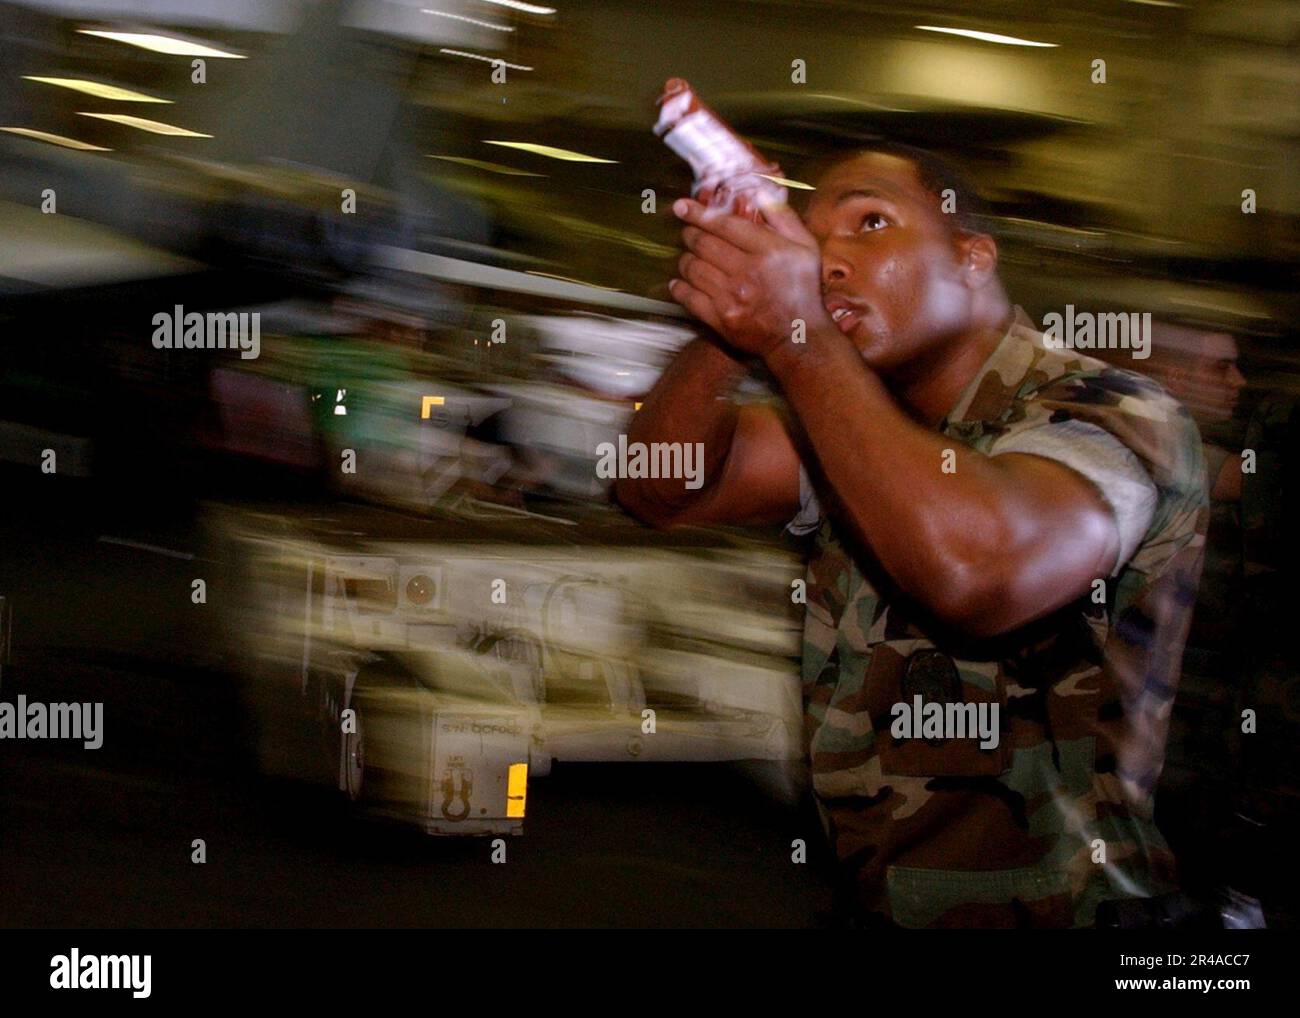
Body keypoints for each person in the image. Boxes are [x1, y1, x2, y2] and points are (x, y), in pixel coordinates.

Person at [615, 142, 1209, 928]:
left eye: (870, 221)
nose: (828, 263)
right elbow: (659, 486)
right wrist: (728, 326)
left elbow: (978, 573)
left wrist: (797, 337)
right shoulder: (847, 419)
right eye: (814, 242)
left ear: (972, 258)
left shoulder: (1111, 413)